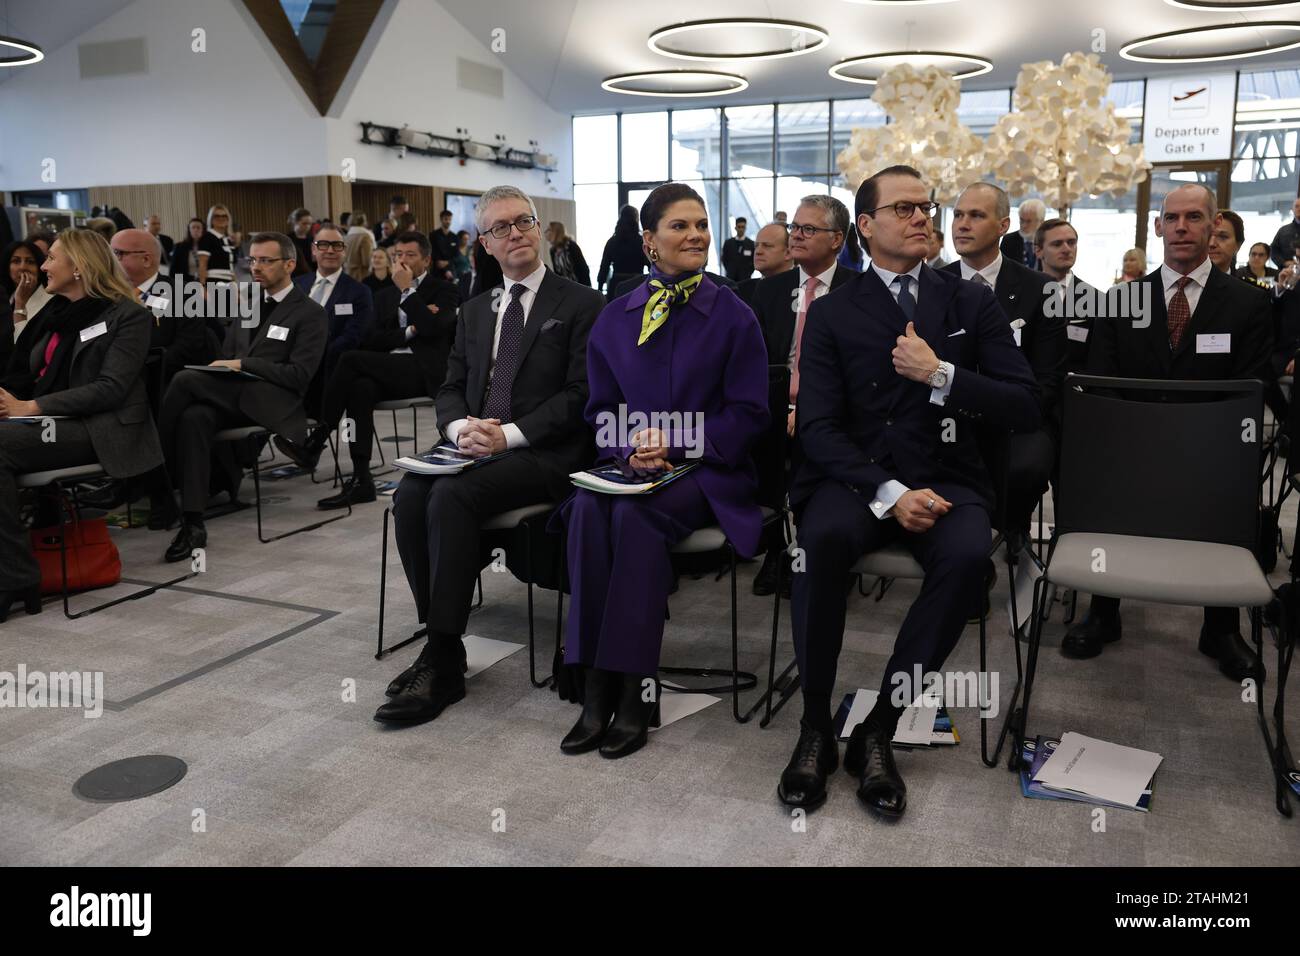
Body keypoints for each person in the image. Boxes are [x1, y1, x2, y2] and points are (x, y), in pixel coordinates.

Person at [778, 165, 1040, 817]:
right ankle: (815, 724)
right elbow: (816, 427)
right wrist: (888, 491)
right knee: (820, 542)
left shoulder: (969, 301)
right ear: (865, 228)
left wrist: (944, 374)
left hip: (949, 476)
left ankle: (880, 726)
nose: (923, 216)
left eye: (927, 206)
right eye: (903, 209)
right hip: (858, 478)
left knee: (965, 558)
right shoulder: (834, 311)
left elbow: (1025, 404)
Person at [377, 186, 604, 726]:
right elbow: (451, 385)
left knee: (452, 495)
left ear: (538, 226)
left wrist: (510, 435)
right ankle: (444, 647)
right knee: (410, 494)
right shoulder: (476, 309)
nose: (516, 233)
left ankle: (442, 656)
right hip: (475, 443)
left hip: (545, 452)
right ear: (485, 243)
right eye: (501, 227)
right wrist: (460, 429)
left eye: (523, 221)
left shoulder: (582, 303)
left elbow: (581, 395)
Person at [556, 182, 768, 759]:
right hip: (631, 465)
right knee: (586, 510)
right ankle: (593, 684)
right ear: (649, 241)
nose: (696, 234)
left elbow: (750, 416)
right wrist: (629, 449)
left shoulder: (734, 315)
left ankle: (633, 690)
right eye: (680, 226)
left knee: (635, 521)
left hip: (710, 470)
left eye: (701, 224)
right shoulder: (615, 316)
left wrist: (673, 444)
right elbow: (599, 410)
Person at [1070, 183, 1273, 680]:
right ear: (1158, 226)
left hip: (1212, 450)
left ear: (1212, 226)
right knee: (1108, 485)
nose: (1182, 227)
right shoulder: (1121, 301)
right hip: (1131, 446)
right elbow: (1103, 383)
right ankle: (1104, 612)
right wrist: (1137, 440)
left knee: (1232, 492)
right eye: (1172, 218)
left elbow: (1248, 390)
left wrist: (1195, 443)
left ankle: (1220, 627)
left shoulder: (1249, 305)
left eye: (1194, 218)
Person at [0, 229, 165, 622]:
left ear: (79, 266)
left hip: (97, 427)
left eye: (51, 258)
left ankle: (14, 577)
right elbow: (22, 372)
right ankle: (15, 571)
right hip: (47, 420)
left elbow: (109, 390)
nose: (42, 266)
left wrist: (30, 406)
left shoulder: (130, 316)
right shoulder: (53, 313)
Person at [154, 232, 326, 562]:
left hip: (273, 402)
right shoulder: (248, 306)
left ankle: (154, 470)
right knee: (194, 417)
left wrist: (244, 364)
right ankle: (193, 523)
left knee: (185, 379)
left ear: (289, 264)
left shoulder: (310, 312)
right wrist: (232, 366)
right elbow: (226, 355)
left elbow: (299, 376)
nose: (256, 267)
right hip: (232, 396)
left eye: (265, 260)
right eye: (252, 260)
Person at [272, 232, 459, 508]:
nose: (402, 260)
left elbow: (433, 331)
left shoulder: (445, 290)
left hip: (424, 371)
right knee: (360, 389)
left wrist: (408, 293)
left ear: (427, 260)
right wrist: (410, 329)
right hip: (388, 368)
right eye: (398, 255)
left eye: (410, 255)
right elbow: (372, 339)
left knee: (349, 359)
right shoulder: (384, 295)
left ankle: (316, 441)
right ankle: (362, 480)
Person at [748, 195, 858, 596]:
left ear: (837, 240)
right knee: (757, 437)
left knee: (829, 443)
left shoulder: (859, 291)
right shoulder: (768, 292)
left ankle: (830, 553)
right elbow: (755, 363)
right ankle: (778, 548)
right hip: (776, 404)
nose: (796, 235)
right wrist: (785, 405)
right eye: (794, 227)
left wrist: (809, 408)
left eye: (808, 229)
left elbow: (862, 374)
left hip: (835, 408)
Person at [944, 182, 1065, 546]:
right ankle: (962, 538)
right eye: (958, 215)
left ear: (1003, 226)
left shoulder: (1040, 289)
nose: (962, 224)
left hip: (1019, 418)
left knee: (1025, 466)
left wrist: (1010, 411)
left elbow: (1049, 376)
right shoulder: (933, 284)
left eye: (976, 216)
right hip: (950, 413)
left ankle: (1011, 524)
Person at [110, 228, 211, 393]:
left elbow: (189, 346)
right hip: (111, 382)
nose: (112, 261)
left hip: (160, 384)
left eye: (118, 254)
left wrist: (139, 367)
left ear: (146, 260)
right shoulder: (105, 295)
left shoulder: (184, 294)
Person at [293, 226, 375, 386]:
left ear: (344, 251)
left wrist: (313, 353)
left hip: (329, 369)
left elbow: (353, 336)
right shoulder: (296, 286)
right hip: (291, 365)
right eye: (323, 244)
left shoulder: (359, 292)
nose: (330, 250)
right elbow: (281, 324)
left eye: (337, 245)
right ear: (313, 250)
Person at [1034, 218, 1100, 375]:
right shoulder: (1021, 293)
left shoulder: (1096, 300)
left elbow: (1098, 358)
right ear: (1038, 251)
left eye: (1071, 242)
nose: (1066, 249)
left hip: (1075, 390)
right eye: (1057, 244)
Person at [1, 240, 54, 388]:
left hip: (25, 383)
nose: (23, 267)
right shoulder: (6, 297)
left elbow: (22, 348)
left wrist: (20, 304)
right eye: (16, 261)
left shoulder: (50, 302)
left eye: (30, 261)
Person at [596, 204, 647, 297]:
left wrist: (599, 289)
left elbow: (604, 267)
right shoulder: (642, 242)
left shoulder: (612, 241)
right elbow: (651, 265)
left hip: (617, 284)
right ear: (636, 218)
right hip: (637, 284)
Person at [736, 222, 793, 304]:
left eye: (767, 246)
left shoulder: (803, 290)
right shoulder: (739, 291)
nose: (758, 252)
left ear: (788, 253)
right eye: (756, 246)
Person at [1000, 198, 1046, 270]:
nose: (1024, 225)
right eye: (1022, 220)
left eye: (1028, 221)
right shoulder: (1009, 241)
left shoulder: (1048, 241)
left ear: (1041, 221)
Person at [545, 221, 591, 287]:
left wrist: (587, 290)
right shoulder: (553, 251)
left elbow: (584, 269)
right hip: (565, 288)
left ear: (556, 232)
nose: (546, 232)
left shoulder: (571, 246)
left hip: (579, 286)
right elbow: (557, 274)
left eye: (548, 230)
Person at [203, 205, 237, 284]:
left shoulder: (228, 240)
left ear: (228, 219)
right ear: (211, 219)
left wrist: (235, 285)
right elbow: (202, 265)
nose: (221, 218)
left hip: (229, 282)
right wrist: (202, 287)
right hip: (214, 282)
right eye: (217, 216)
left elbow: (231, 267)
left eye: (224, 216)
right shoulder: (207, 237)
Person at [1208, 209, 1244, 274]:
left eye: (1222, 237)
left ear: (1238, 245)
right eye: (1207, 236)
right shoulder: (1185, 282)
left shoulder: (1245, 284)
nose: (1211, 243)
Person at [1269, 196, 1300, 270]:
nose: (1299, 209)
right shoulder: (1283, 231)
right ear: (1292, 209)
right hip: (1287, 273)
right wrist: (1284, 262)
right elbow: (1273, 251)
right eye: (1297, 206)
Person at [721, 216, 756, 282]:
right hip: (730, 277)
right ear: (735, 228)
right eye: (739, 227)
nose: (741, 229)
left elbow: (754, 260)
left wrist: (748, 273)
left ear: (745, 228)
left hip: (745, 278)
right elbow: (724, 259)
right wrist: (729, 270)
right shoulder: (728, 243)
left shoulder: (751, 244)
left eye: (743, 227)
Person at [431, 209, 457, 279]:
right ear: (441, 219)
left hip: (451, 270)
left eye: (450, 219)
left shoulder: (454, 237)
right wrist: (438, 261)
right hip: (437, 270)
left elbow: (456, 253)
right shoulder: (433, 235)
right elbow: (432, 251)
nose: (448, 221)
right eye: (446, 219)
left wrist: (448, 262)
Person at [288, 208, 315, 277]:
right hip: (294, 275)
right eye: (304, 223)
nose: (307, 226)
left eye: (309, 224)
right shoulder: (288, 239)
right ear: (295, 222)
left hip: (311, 274)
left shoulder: (312, 239)